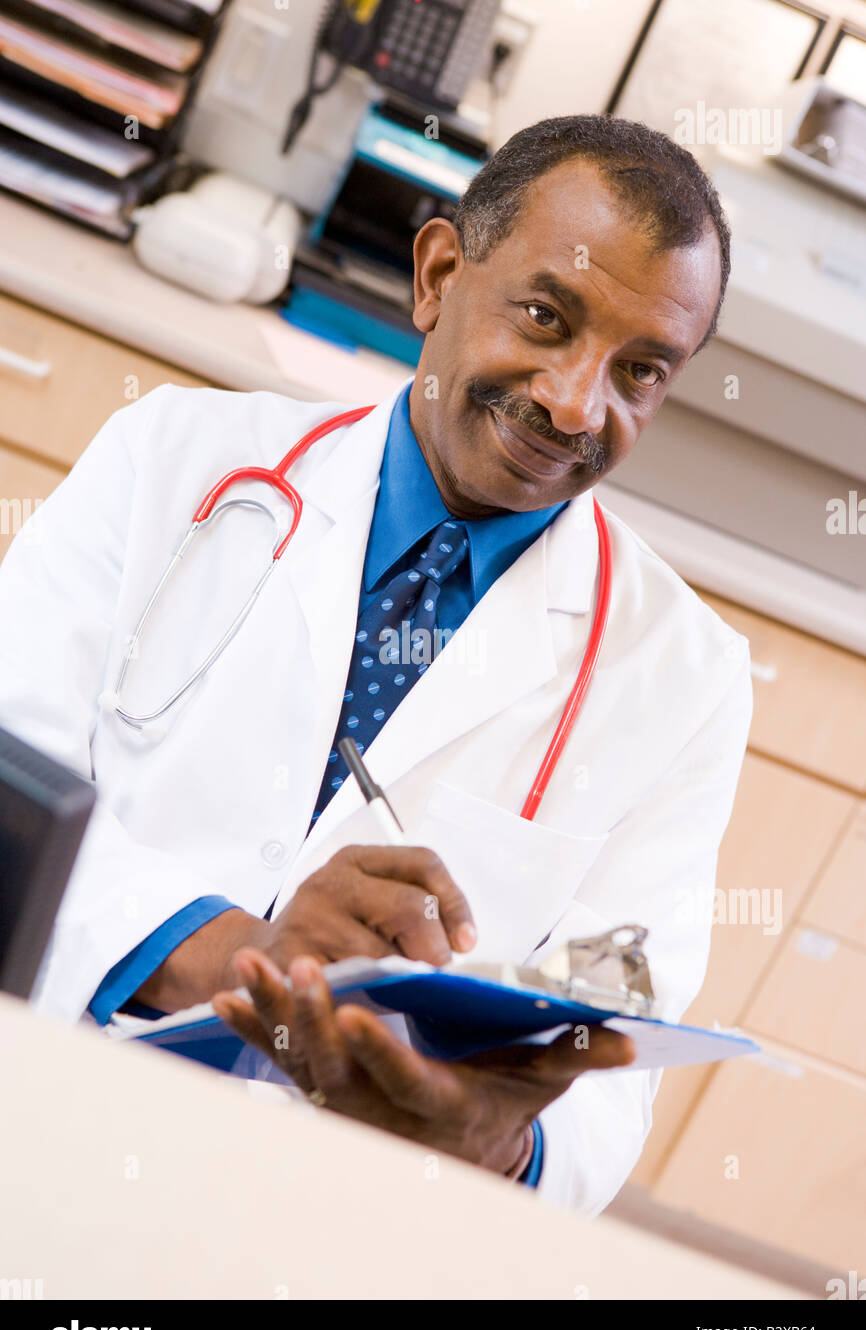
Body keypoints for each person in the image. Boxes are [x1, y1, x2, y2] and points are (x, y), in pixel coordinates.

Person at [0, 115, 752, 1211]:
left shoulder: (681, 677)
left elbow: (612, 1058)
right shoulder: (172, 458)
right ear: (439, 274)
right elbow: (13, 791)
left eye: (639, 372)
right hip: (44, 1081)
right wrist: (241, 959)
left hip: (322, 1209)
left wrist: (500, 1147)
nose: (573, 404)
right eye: (545, 317)